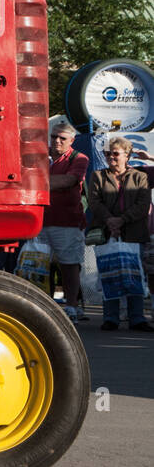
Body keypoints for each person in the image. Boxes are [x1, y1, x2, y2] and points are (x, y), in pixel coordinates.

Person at [87, 136, 152, 331]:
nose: (110, 157)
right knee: (110, 274)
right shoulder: (98, 176)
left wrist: (122, 220)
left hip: (133, 232)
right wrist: (110, 221)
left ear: (127, 155)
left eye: (115, 154)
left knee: (135, 275)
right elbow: (94, 202)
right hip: (107, 232)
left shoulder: (140, 177)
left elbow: (143, 204)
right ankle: (111, 318)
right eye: (108, 154)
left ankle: (137, 318)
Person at [36, 121, 90, 321]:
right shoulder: (39, 154)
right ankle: (41, 305)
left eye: (62, 138)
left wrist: (34, 182)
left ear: (72, 141)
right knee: (39, 264)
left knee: (69, 265)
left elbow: (68, 181)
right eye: (53, 137)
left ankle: (72, 306)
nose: (56, 141)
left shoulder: (80, 158)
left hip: (67, 222)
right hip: (39, 221)